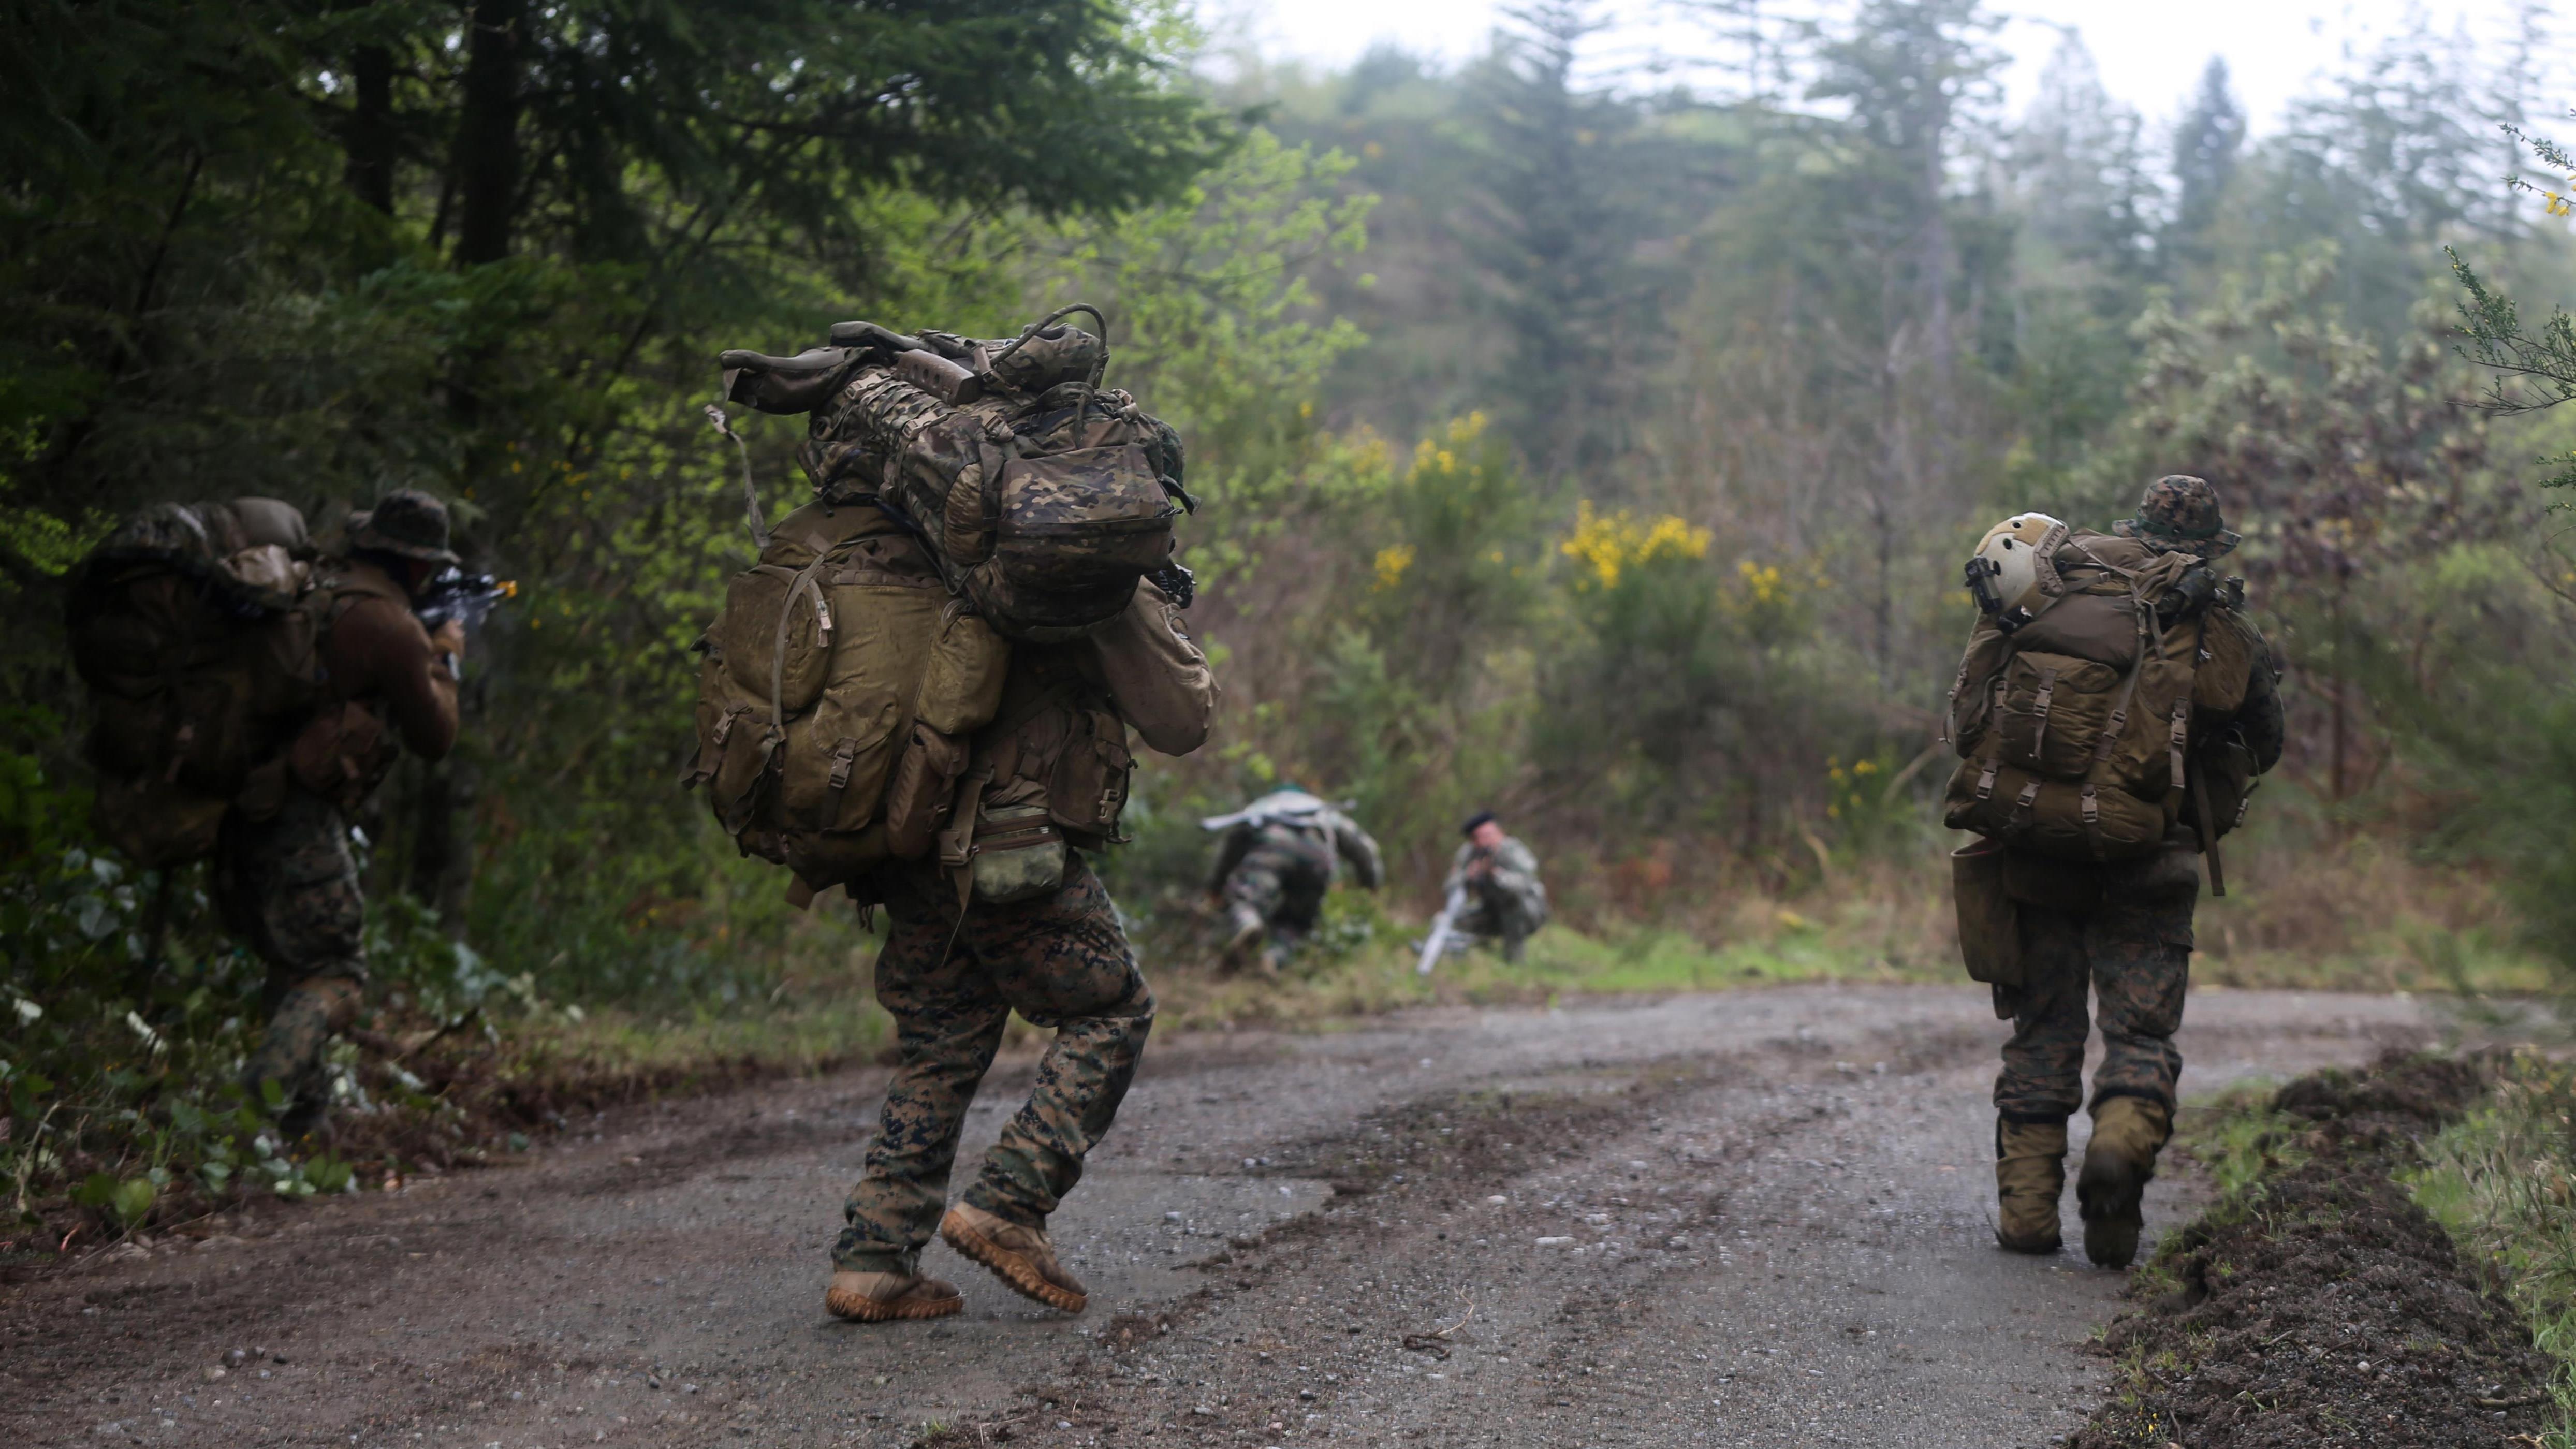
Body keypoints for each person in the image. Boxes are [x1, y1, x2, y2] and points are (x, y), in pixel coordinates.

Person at [825, 574, 1218, 1324]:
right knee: (1113, 1005)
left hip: (901, 834)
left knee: (942, 1037)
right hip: (1007, 840)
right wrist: (1138, 597)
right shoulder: (1065, 543)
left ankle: (873, 1258)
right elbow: (1181, 717)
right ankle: (1011, 1200)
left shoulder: (896, 546)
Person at [1957, 476, 2284, 1268]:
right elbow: (2265, 739)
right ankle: (2116, 1159)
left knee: (2043, 1029)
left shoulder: (2054, 582)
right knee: (2140, 1034)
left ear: (2132, 523)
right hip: (2150, 859)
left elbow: (1971, 708)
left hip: (2035, 851)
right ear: (2208, 546)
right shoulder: (2218, 625)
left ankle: (2029, 1215)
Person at [224, 489, 466, 1139]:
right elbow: (435, 738)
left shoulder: (319, 589)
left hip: (243, 799)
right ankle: (247, 1112)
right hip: (295, 811)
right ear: (416, 567)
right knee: (337, 975)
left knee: (293, 969)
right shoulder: (389, 625)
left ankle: (307, 1127)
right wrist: (444, 656)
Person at [1202, 788, 1383, 973]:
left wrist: (1215, 887)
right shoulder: (1320, 810)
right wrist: (1370, 884)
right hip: (1316, 855)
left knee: (1246, 900)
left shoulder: (1265, 806)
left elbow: (1233, 845)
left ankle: (1248, 923)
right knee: (1296, 922)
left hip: (1274, 844)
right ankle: (1273, 957)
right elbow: (1364, 849)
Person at [1443, 811, 1548, 963]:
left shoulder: (1511, 849)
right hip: (1491, 910)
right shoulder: (1469, 854)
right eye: (1480, 837)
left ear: (1499, 832)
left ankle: (1515, 962)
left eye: (1489, 835)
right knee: (1453, 920)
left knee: (1513, 906)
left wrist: (1497, 875)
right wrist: (1468, 875)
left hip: (1527, 913)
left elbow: (1526, 882)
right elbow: (1449, 886)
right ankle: (1460, 961)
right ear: (1473, 840)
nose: (1487, 841)